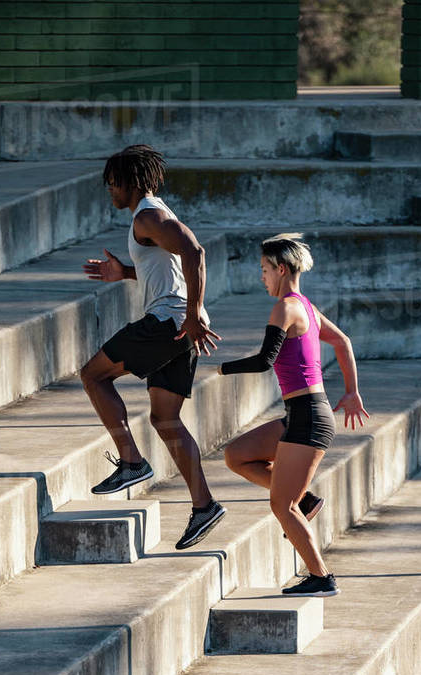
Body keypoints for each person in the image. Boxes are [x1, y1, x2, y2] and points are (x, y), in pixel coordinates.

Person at [80, 144, 226, 551]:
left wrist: (194, 314)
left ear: (128, 182)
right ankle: (204, 505)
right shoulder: (151, 214)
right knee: (165, 419)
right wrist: (124, 272)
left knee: (93, 375)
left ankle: (131, 461)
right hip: (179, 325)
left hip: (169, 323)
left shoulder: (148, 214)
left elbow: (194, 251)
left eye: (113, 183)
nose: (110, 190)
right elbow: (166, 267)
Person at [218, 233, 368, 596]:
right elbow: (343, 342)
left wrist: (218, 370)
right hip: (300, 413)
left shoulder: (286, 307)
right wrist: (350, 391)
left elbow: (263, 360)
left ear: (280, 269)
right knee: (236, 455)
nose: (262, 277)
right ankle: (307, 498)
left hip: (308, 418)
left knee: (281, 505)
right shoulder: (306, 306)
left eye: (265, 269)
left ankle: (321, 577)